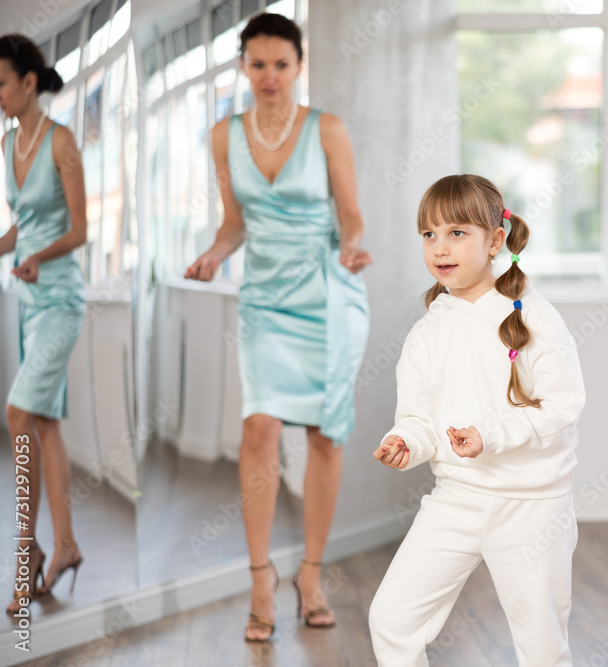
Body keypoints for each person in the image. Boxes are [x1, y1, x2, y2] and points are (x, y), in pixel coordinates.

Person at [184, 13, 371, 642]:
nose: (269, 76)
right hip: (265, 300)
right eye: (257, 64)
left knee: (325, 436)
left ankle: (310, 576)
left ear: (299, 65)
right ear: (243, 65)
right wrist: (215, 253)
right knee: (260, 427)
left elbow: (351, 215)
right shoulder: (222, 136)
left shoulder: (328, 130)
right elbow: (233, 222)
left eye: (281, 64)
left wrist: (352, 247)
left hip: (325, 295)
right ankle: (261, 577)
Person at [369, 174, 586, 666]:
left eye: (457, 233)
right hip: (457, 500)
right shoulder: (427, 332)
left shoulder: (534, 315)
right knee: (392, 620)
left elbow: (563, 405)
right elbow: (419, 420)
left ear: (495, 239)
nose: (440, 248)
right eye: (429, 235)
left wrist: (488, 435)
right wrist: (406, 440)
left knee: (542, 645)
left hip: (532, 509)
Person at [0, 34, 88, 613]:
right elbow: (20, 227)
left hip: (61, 303)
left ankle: (26, 551)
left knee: (16, 415)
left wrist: (37, 258)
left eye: (1, 82)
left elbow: (80, 230)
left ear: (29, 82)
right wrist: (8, 248)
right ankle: (68, 547)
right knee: (47, 426)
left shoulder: (63, 142)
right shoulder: (8, 143)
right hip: (27, 303)